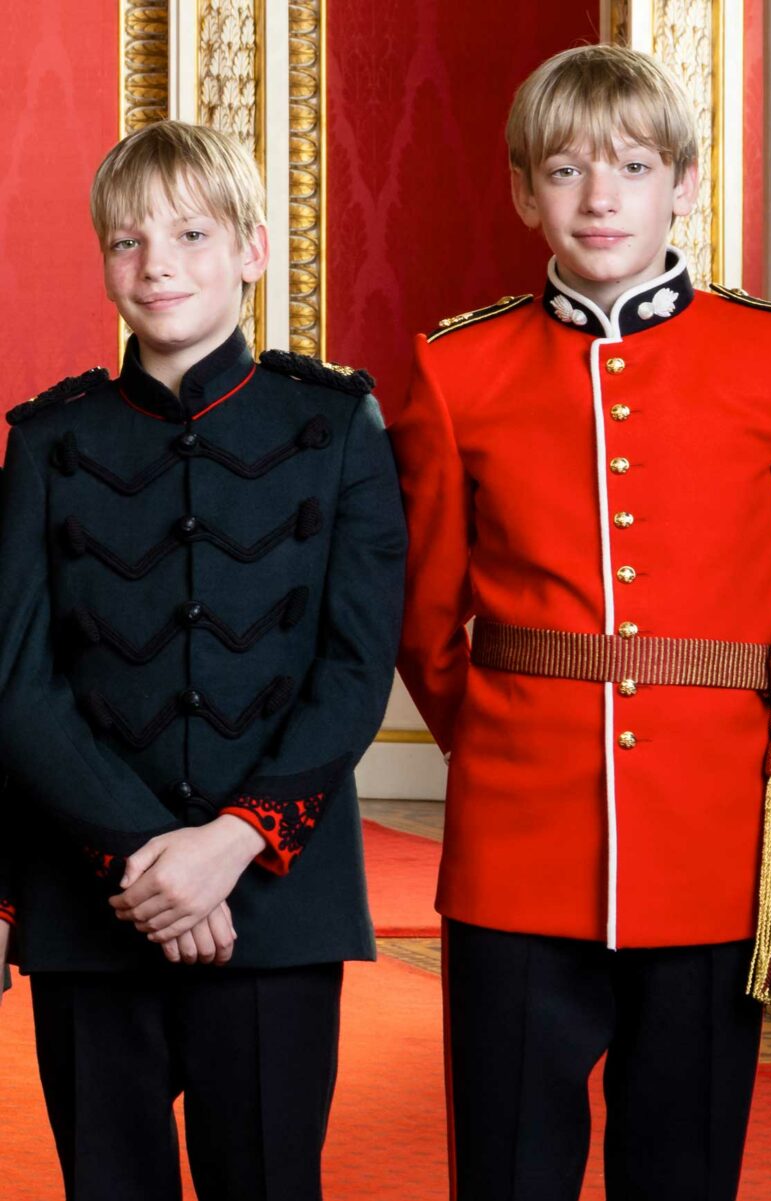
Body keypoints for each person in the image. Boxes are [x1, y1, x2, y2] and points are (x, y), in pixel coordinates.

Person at [389, 43, 771, 1201]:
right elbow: (424, 614)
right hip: (518, 834)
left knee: (684, 1162)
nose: (599, 196)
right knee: (507, 1167)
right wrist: (509, 731)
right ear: (524, 193)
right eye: (564, 170)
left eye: (631, 165)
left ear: (687, 182)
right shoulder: (459, 367)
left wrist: (751, 741)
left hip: (712, 834)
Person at [0, 119, 406, 1201]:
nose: (158, 264)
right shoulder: (47, 439)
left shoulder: (336, 422)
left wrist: (229, 845)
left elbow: (354, 666)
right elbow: (19, 682)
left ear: (253, 250)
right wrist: (150, 863)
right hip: (98, 899)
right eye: (128, 242)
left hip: (275, 899)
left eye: (190, 233)